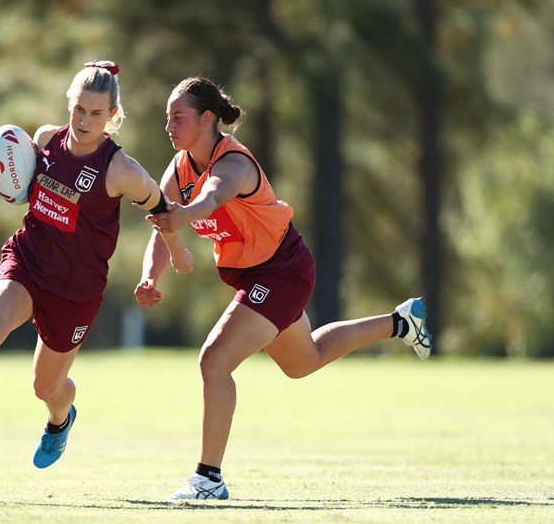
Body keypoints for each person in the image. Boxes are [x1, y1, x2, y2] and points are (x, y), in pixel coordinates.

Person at [134, 76, 433, 501]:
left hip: (280, 273)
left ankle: (208, 479)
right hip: (256, 276)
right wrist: (151, 275)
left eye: (178, 117)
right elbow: (161, 227)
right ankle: (401, 323)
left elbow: (212, 199)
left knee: (214, 362)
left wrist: (184, 215)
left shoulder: (233, 164)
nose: (169, 126)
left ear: (206, 118)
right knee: (303, 361)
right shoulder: (180, 166)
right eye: (168, 118)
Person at [0, 61, 192, 470]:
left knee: (46, 386)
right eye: (79, 110)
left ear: (112, 116)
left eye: (96, 113)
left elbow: (163, 209)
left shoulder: (120, 170)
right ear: (69, 104)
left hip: (75, 289)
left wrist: (176, 253)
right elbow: (23, 188)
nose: (85, 121)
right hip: (27, 260)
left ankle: (60, 419)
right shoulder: (46, 139)